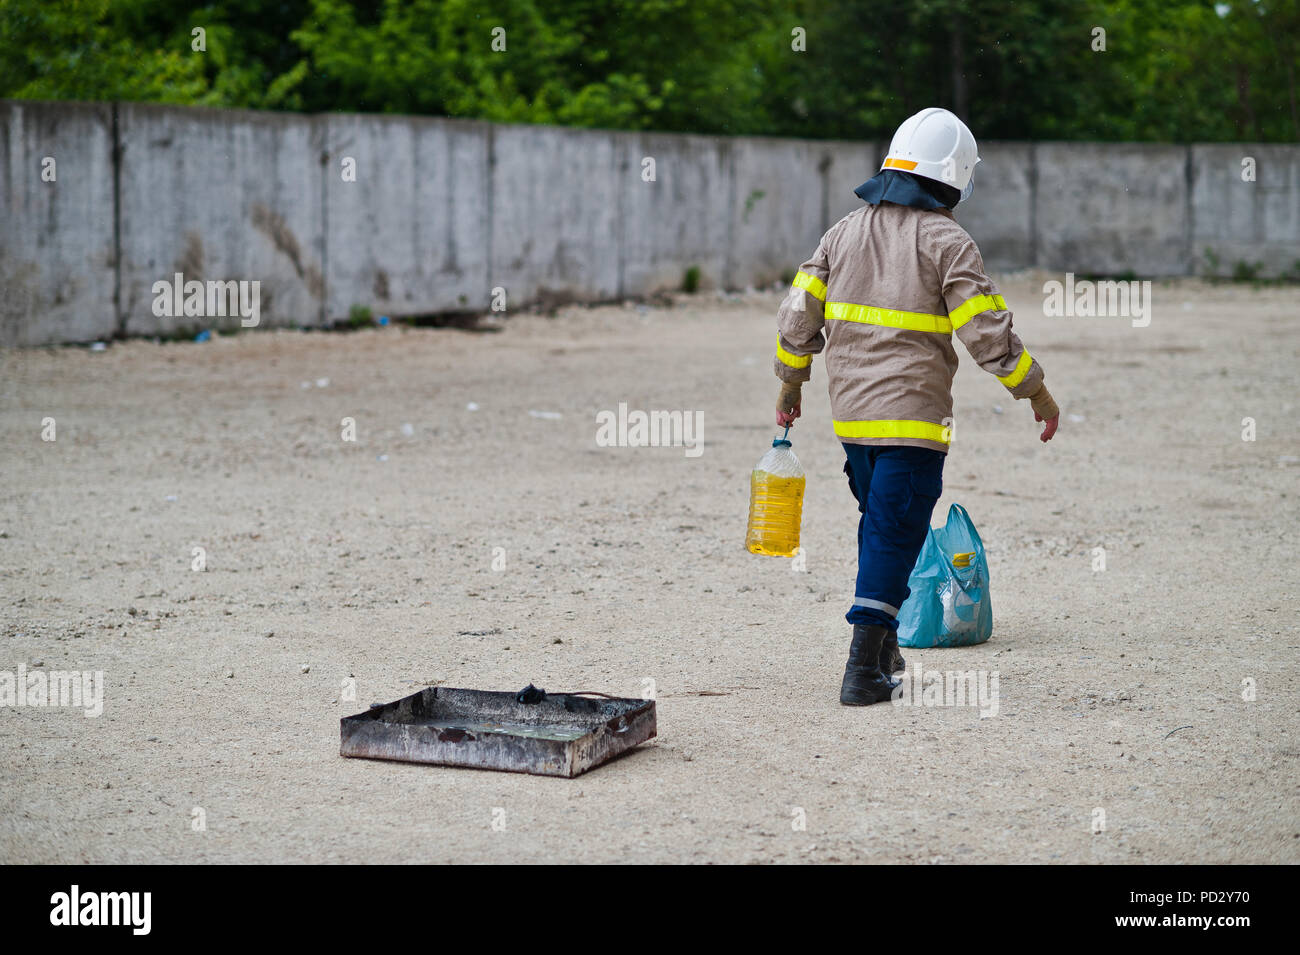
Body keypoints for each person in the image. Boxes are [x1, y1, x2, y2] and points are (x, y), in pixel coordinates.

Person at [772, 107, 1060, 706]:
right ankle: (861, 672)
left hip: (852, 421)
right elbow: (986, 332)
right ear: (955, 178)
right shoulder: (947, 240)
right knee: (893, 531)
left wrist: (790, 382)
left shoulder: (843, 232)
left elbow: (799, 314)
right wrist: (1035, 389)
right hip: (914, 421)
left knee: (884, 528)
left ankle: (884, 651)